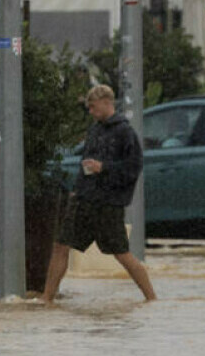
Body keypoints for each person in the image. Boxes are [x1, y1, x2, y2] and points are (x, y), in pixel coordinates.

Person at [42, 85, 156, 305]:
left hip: (108, 204)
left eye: (93, 107)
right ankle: (47, 298)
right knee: (61, 245)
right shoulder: (94, 130)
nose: (91, 112)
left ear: (106, 102)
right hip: (84, 199)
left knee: (122, 253)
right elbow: (85, 162)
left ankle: (151, 297)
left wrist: (103, 168)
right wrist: (78, 189)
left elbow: (133, 168)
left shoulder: (125, 132)